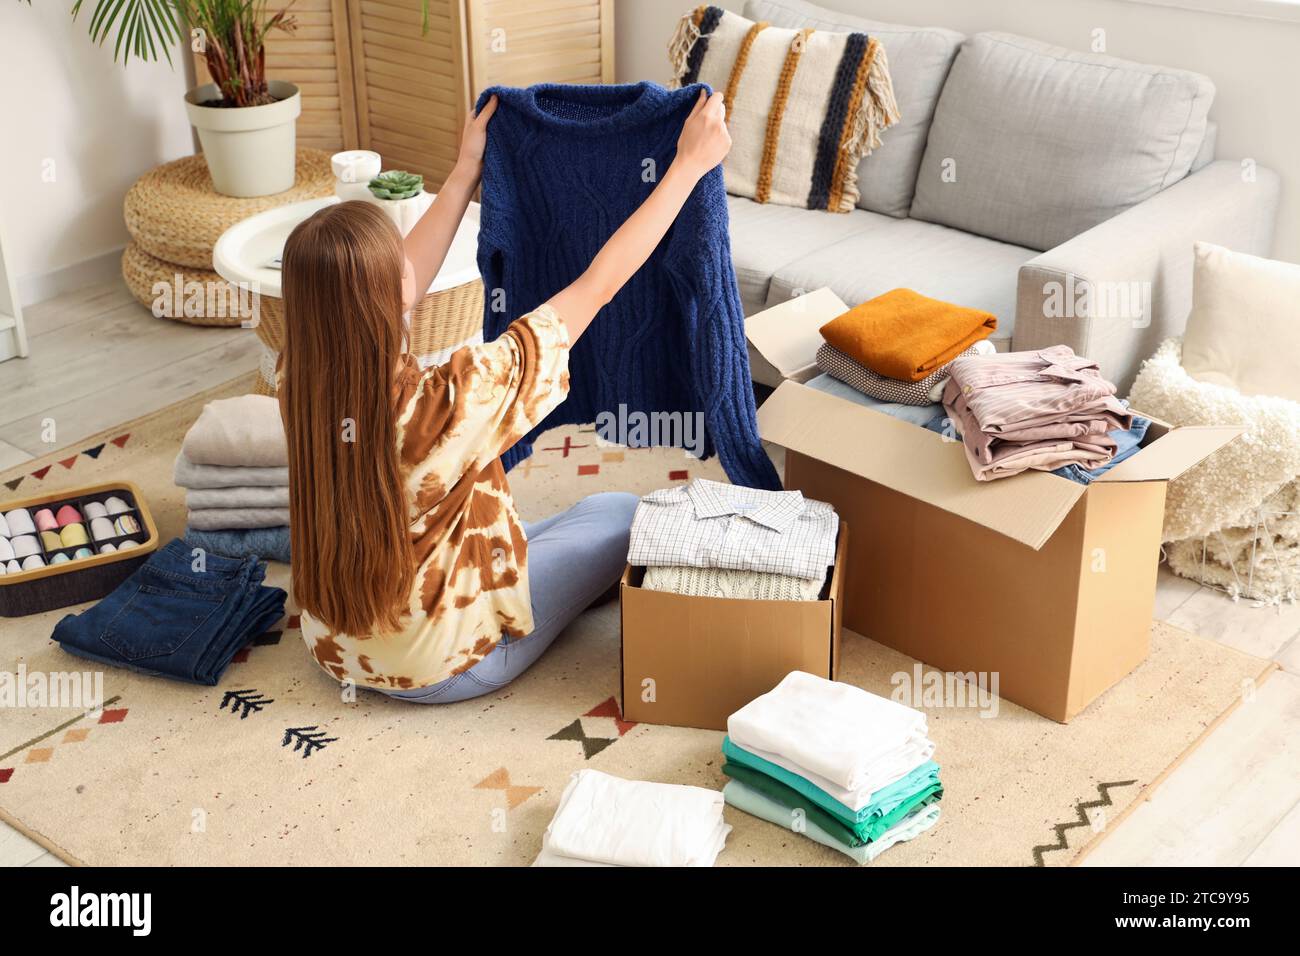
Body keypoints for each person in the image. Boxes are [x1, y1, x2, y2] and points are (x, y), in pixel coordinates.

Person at [278, 89, 732, 702]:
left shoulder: (297, 377)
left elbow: (381, 291)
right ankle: (507, 631)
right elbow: (596, 287)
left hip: (334, 647)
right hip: (447, 666)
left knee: (559, 521)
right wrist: (686, 168)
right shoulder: (451, 401)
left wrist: (467, 170)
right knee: (622, 514)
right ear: (389, 296)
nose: (411, 273)